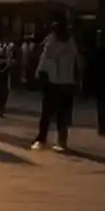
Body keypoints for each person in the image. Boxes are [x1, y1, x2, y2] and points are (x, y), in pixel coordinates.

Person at [32, 19, 81, 152]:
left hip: (58, 81)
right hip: (60, 81)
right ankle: (56, 140)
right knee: (58, 113)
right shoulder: (68, 42)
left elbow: (45, 58)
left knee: (52, 113)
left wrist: (39, 73)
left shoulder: (54, 41)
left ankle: (47, 139)